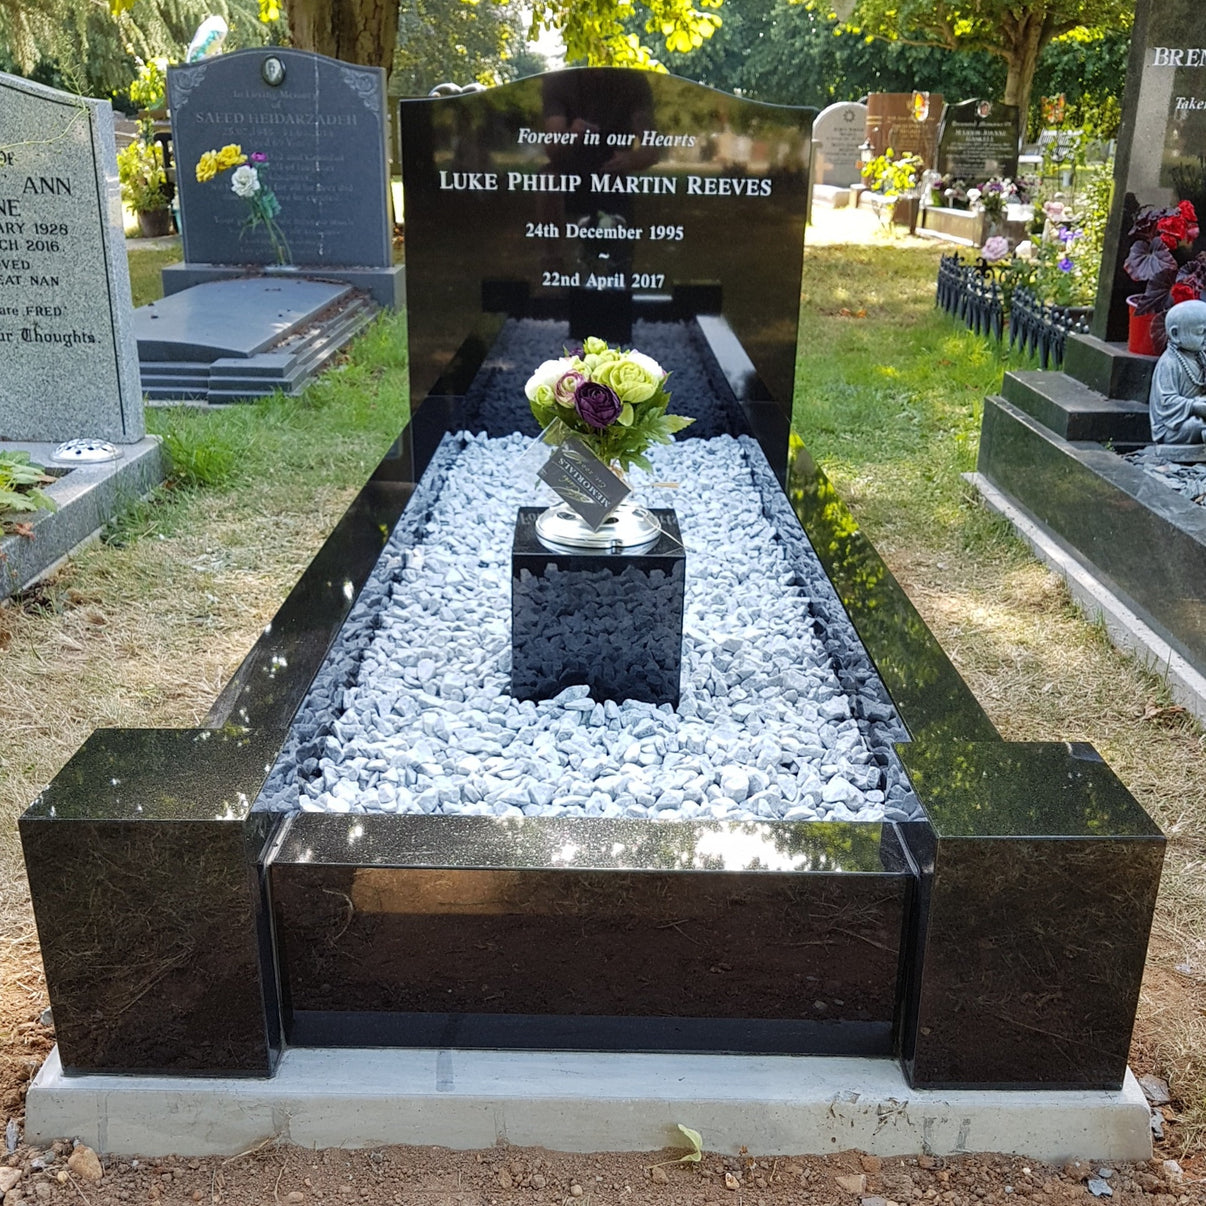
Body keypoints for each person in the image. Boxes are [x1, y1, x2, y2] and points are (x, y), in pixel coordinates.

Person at [1150, 299, 1206, 443]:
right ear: (1175, 334)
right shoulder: (1169, 363)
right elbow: (1166, 401)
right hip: (1174, 426)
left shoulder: (1201, 355)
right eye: (1201, 332)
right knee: (1196, 426)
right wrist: (1193, 406)